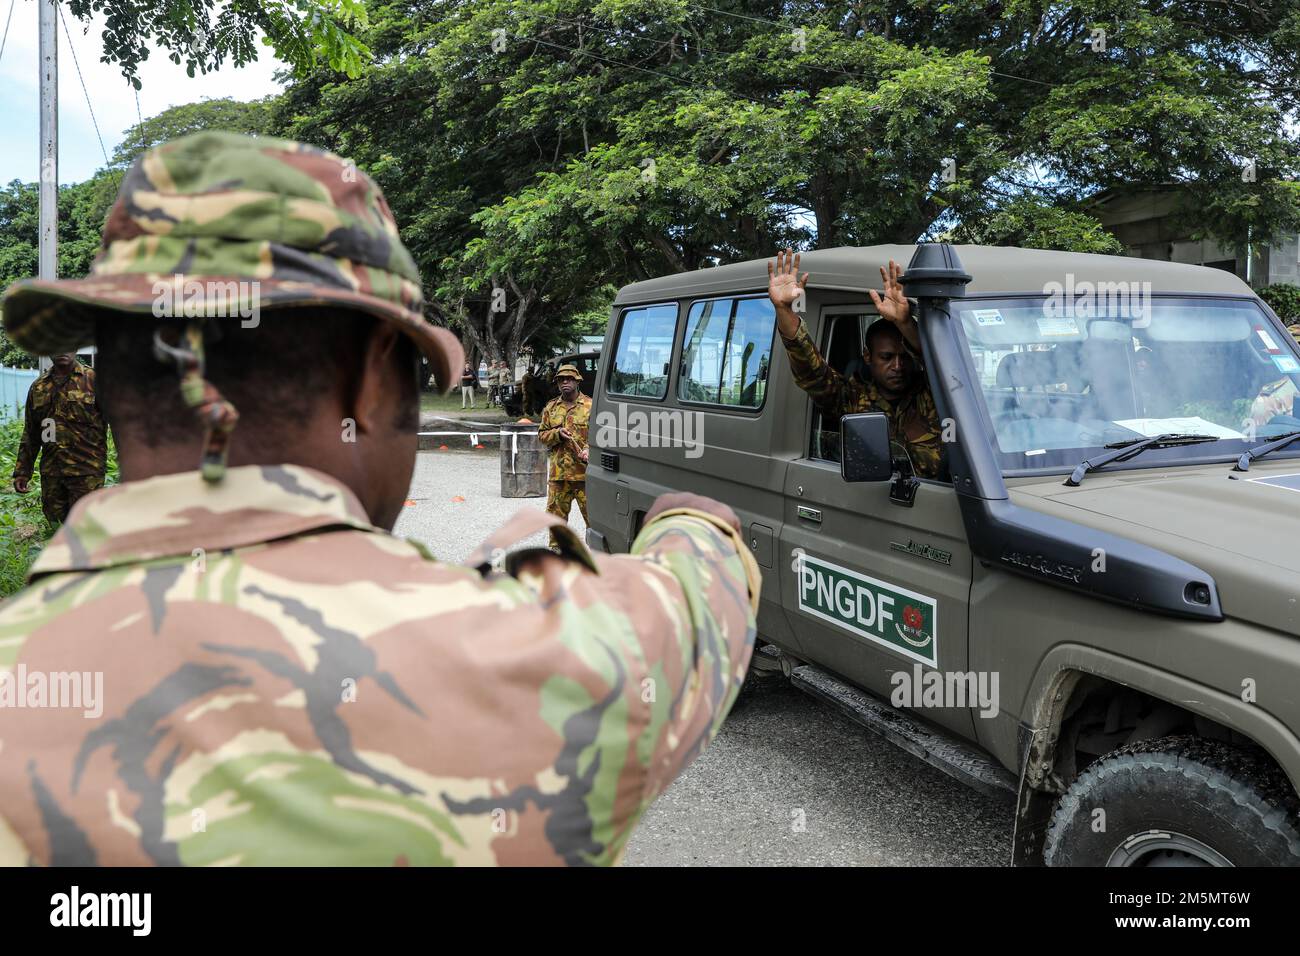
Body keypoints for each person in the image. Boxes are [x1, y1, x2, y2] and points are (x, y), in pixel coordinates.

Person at [0, 130, 761, 866]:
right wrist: (691, 520)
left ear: (106, 385)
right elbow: (698, 599)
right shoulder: (534, 657)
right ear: (372, 382)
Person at [768, 248, 944, 479]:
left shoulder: (930, 392)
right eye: (887, 357)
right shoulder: (850, 398)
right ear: (868, 356)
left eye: (905, 356)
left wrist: (906, 324)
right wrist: (784, 311)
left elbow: (944, 370)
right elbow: (813, 373)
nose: (898, 366)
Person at [11, 351, 108, 525]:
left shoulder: (95, 381)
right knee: (55, 528)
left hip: (86, 473)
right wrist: (23, 471)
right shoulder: (38, 387)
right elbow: (31, 433)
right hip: (52, 474)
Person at [538, 364, 591, 548]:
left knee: (595, 520)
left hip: (584, 476)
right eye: (561, 379)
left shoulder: (590, 406)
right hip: (559, 477)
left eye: (569, 378)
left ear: (577, 381)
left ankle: (599, 560)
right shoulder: (551, 408)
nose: (565, 382)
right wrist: (556, 434)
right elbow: (542, 435)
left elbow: (601, 436)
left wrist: (589, 449)